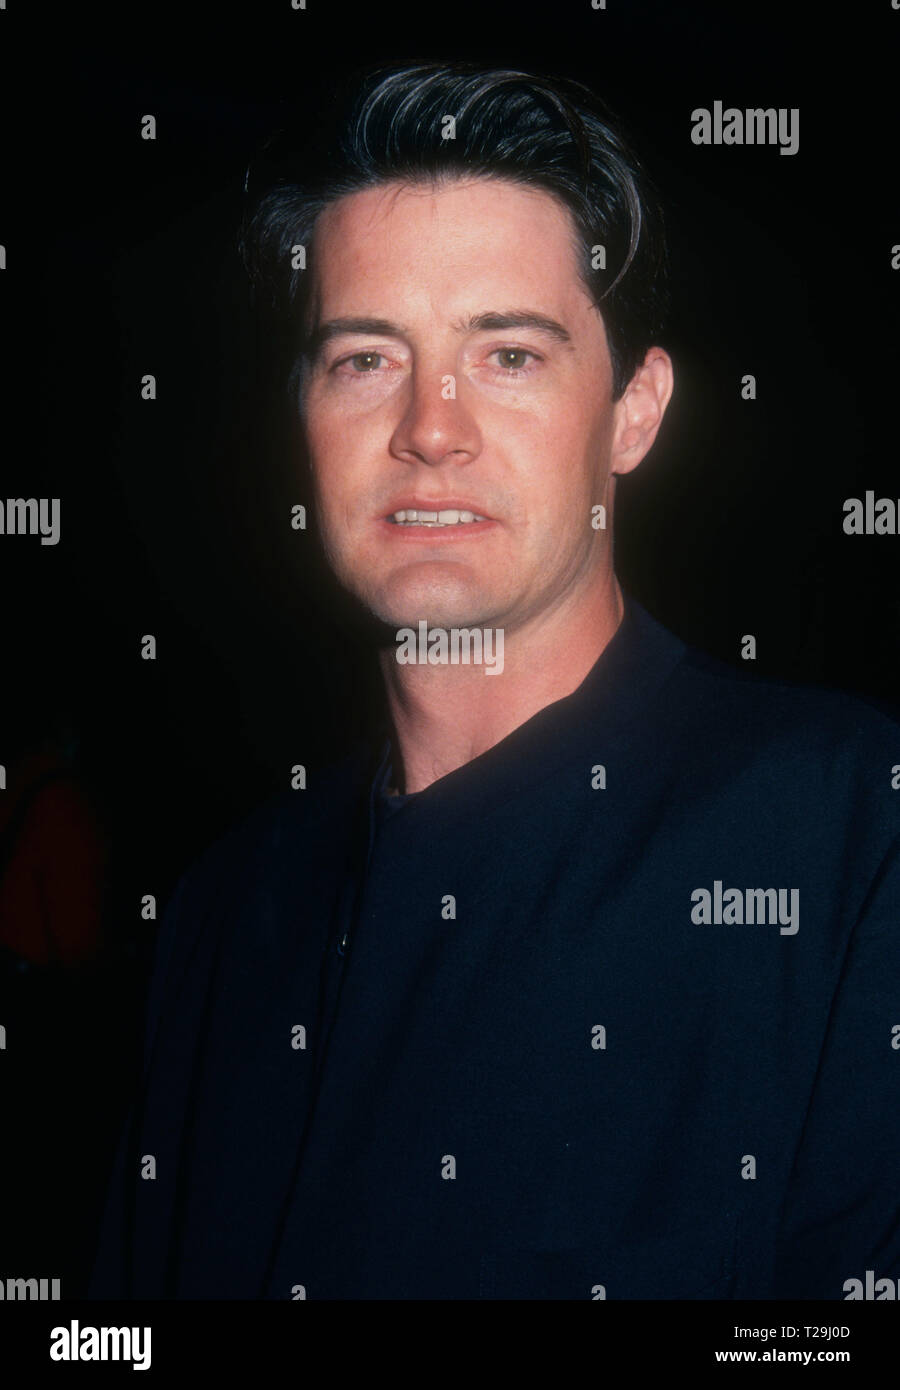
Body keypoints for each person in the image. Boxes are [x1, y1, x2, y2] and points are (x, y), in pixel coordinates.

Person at [88, 61, 900, 1300]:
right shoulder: (222, 912)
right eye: (365, 358)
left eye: (509, 355)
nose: (432, 426)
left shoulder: (849, 831)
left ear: (633, 413)